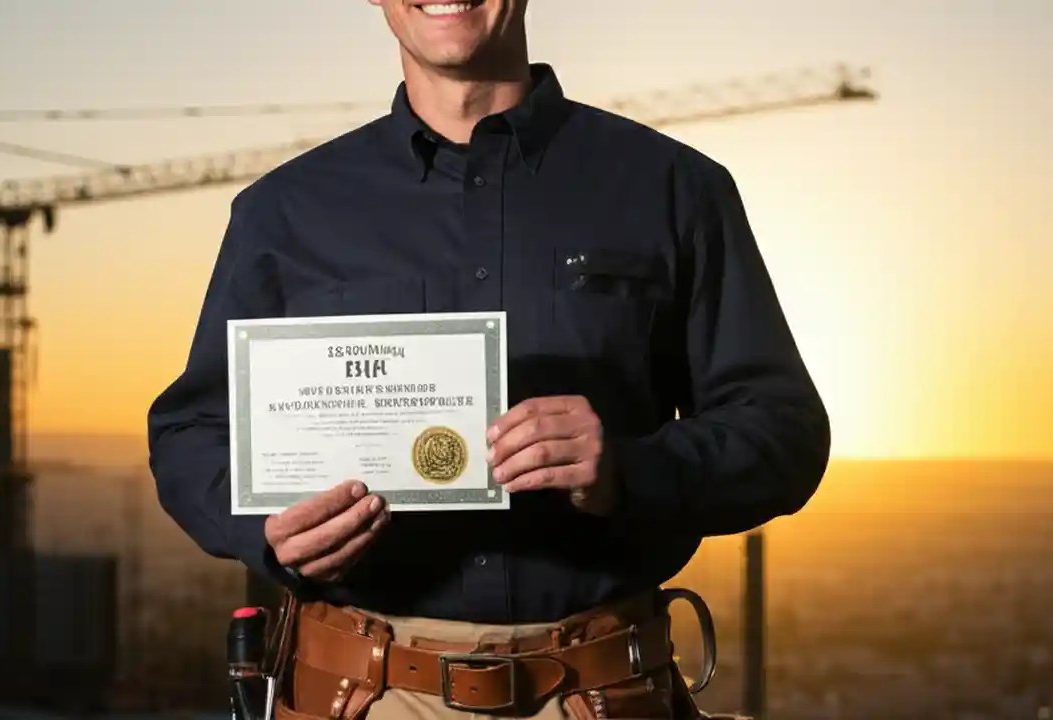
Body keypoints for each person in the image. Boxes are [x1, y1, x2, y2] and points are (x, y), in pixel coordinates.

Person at [147, 0, 831, 717]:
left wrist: (631, 470)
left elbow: (784, 432)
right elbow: (189, 434)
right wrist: (264, 531)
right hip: (357, 698)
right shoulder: (282, 213)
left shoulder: (675, 190)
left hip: (602, 696)